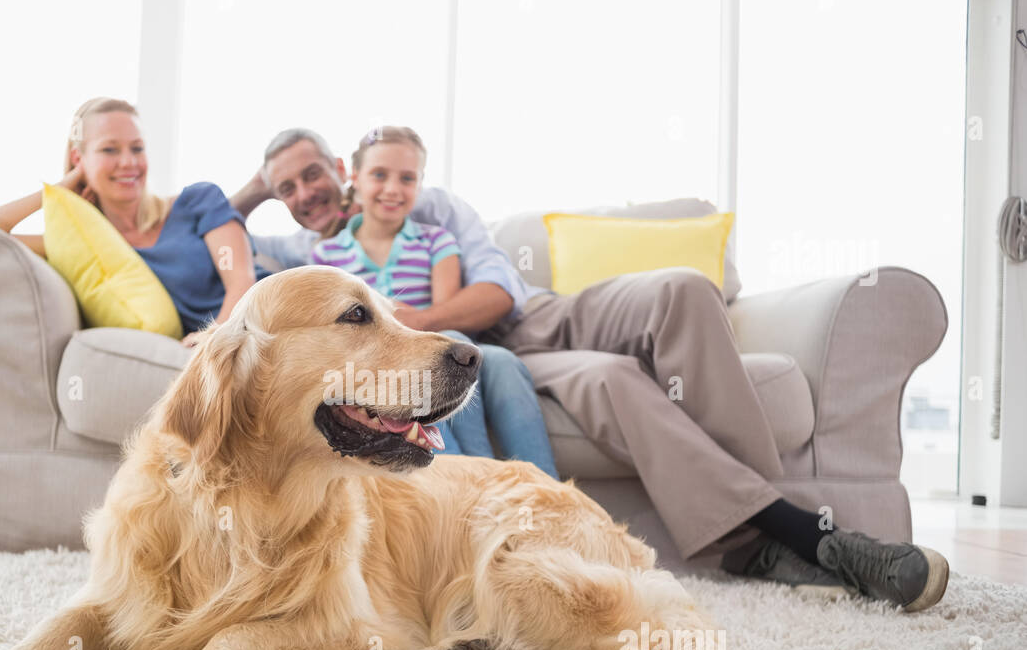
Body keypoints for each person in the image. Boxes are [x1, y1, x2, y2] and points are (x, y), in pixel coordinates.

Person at [230, 128, 950, 613]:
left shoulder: (424, 205)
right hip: (509, 361)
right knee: (610, 383)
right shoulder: (300, 256)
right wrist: (253, 193)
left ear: (340, 168)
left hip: (538, 315)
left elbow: (496, 291)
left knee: (682, 289)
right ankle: (804, 537)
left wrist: (414, 324)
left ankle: (768, 532)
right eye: (285, 188)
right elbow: (209, 230)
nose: (304, 194)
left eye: (310, 175)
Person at [309, 126, 558, 479]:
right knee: (467, 355)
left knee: (502, 361)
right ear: (355, 178)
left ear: (420, 184)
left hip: (435, 346)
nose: (393, 189)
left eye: (408, 178)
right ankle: (471, 479)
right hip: (382, 362)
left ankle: (546, 483)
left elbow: (443, 321)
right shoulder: (326, 254)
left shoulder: (436, 240)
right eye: (380, 174)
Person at [0, 97, 256, 345]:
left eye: (137, 148)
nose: (128, 162)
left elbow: (241, 282)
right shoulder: (85, 248)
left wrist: (211, 342)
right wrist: (56, 190)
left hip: (259, 325)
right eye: (110, 149)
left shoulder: (198, 200)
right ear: (78, 159)